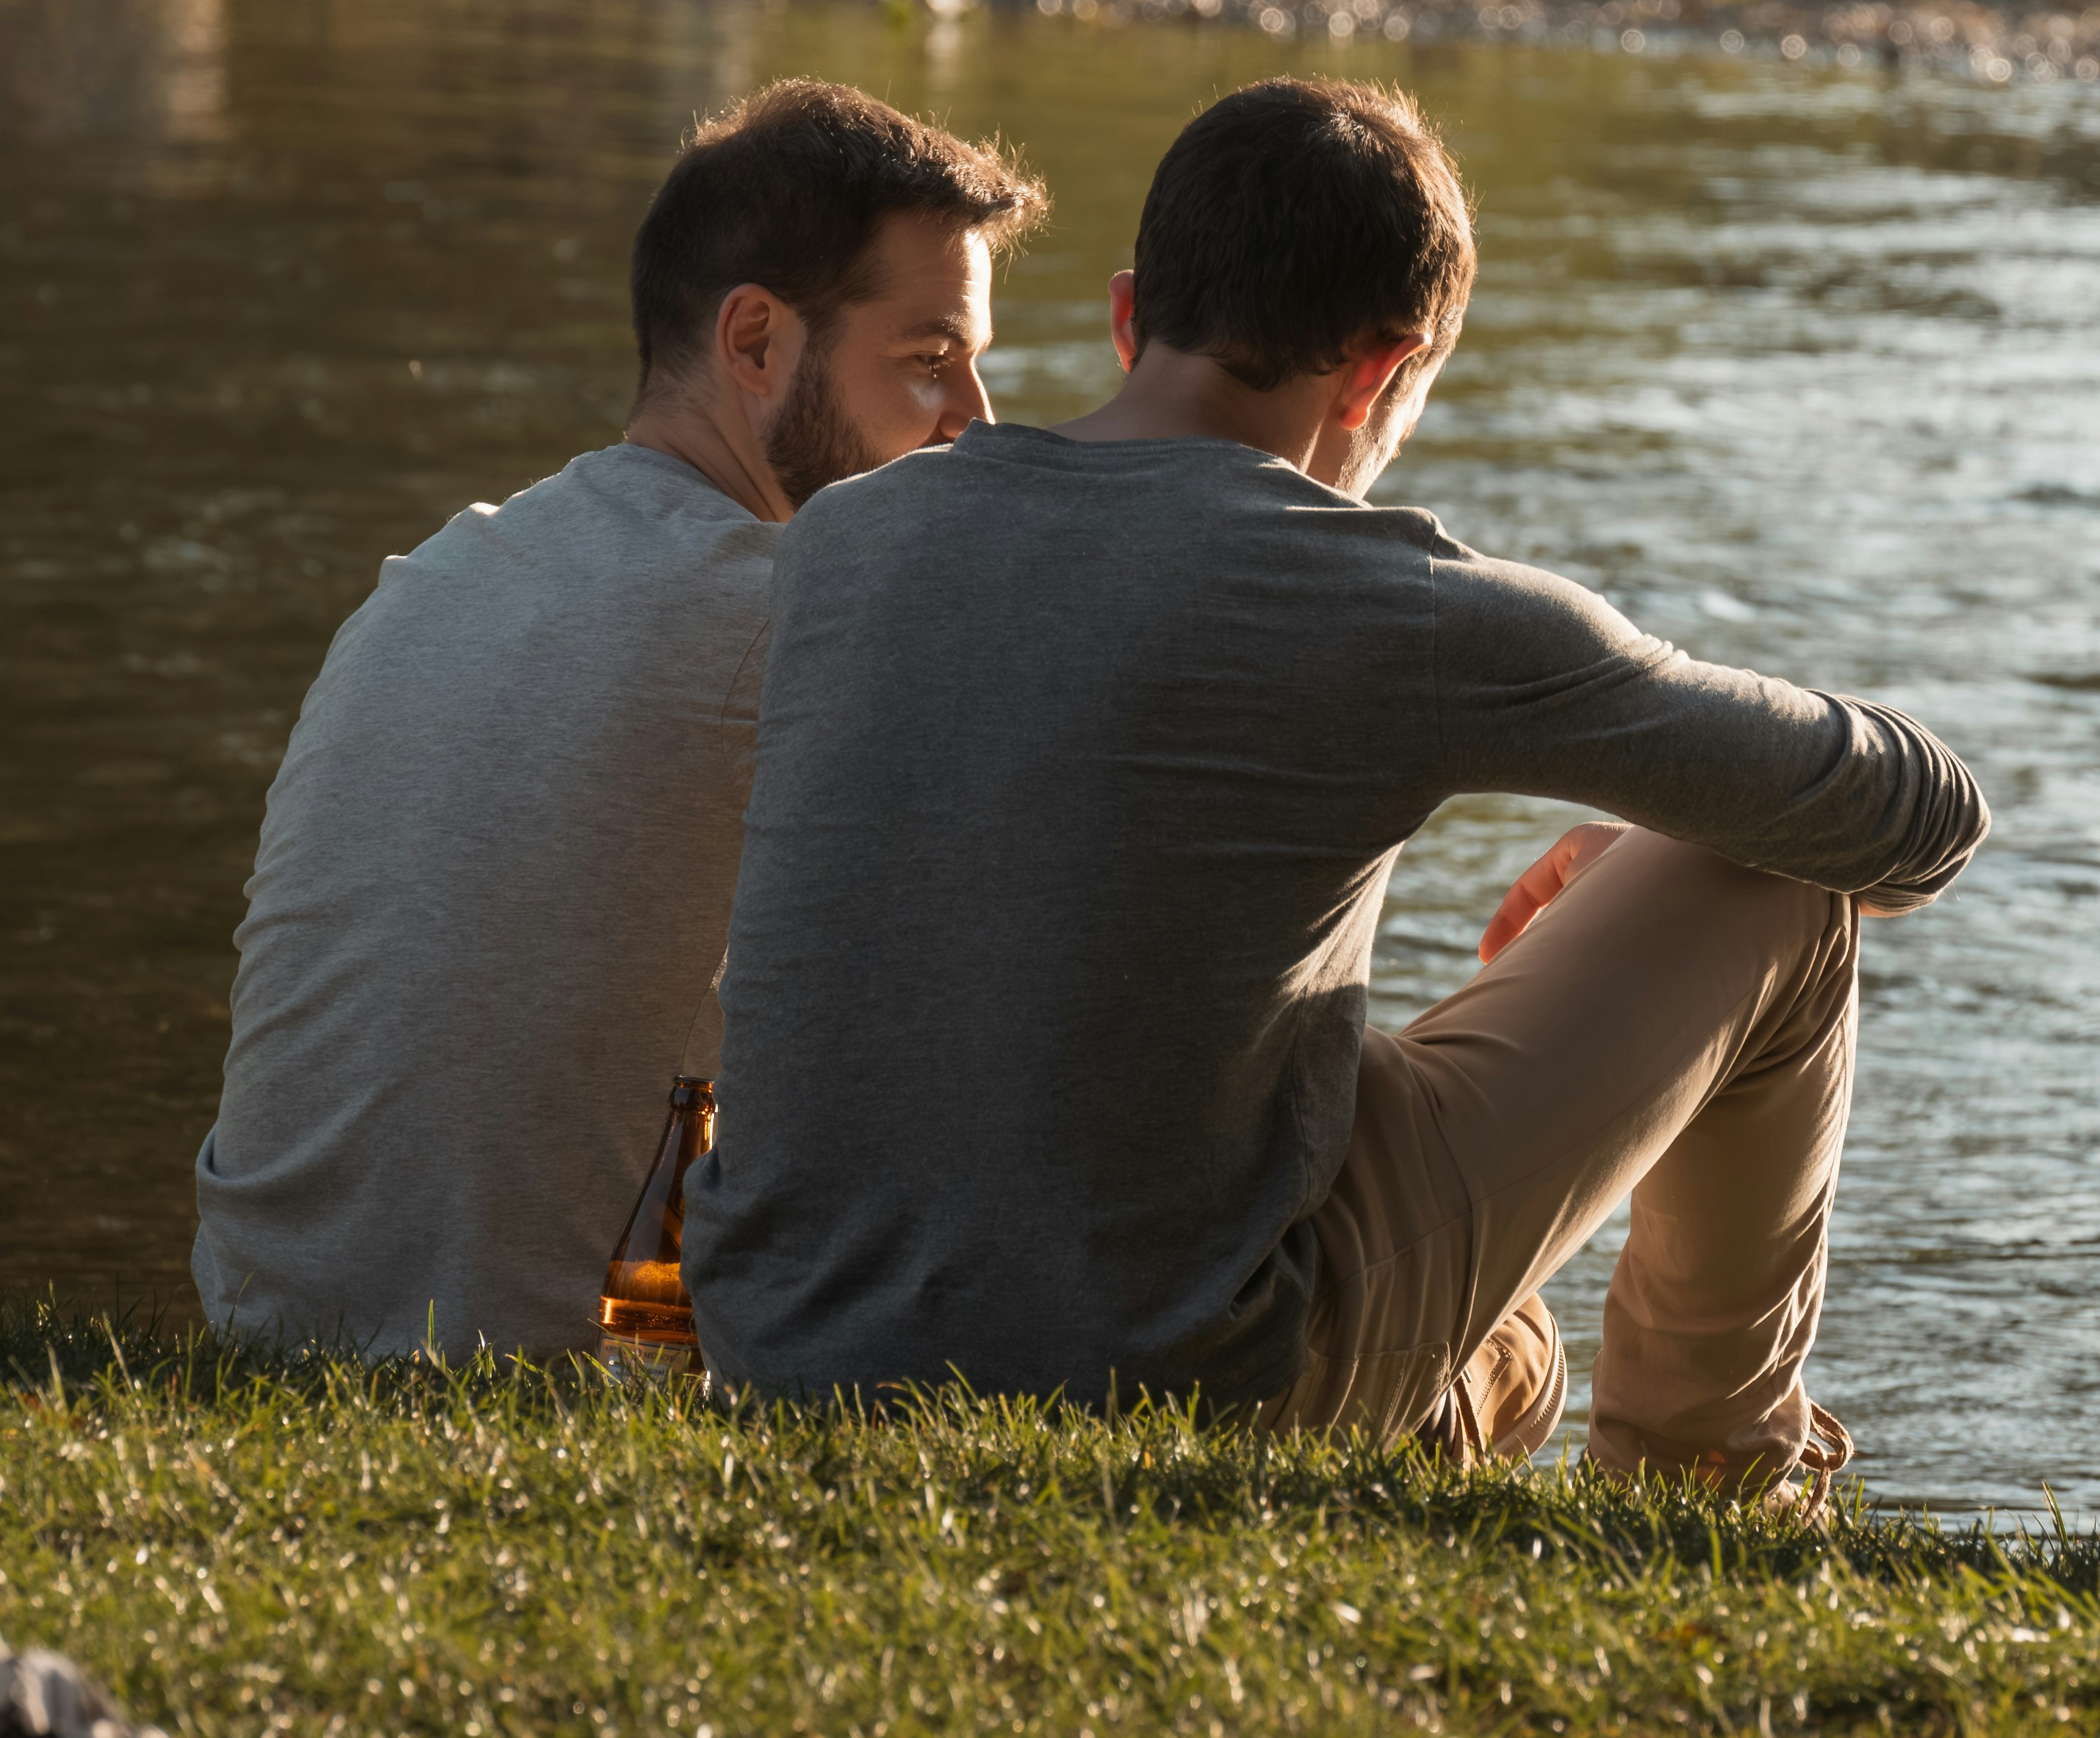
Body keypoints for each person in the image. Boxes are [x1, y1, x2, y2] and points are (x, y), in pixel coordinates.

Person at [688, 79, 1990, 1490]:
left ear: (1136, 315)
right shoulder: (1383, 599)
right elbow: (1920, 820)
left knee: (1495, 1325)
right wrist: (1659, 823)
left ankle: (1478, 1391)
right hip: (1167, 1385)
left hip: (787, 1354)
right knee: (1779, 882)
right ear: (1383, 369)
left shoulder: (851, 540)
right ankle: (1713, 1489)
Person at [190, 82, 1046, 1358]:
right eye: (928, 363)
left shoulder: (437, 574)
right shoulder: (806, 627)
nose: (974, 421)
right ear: (753, 342)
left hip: (264, 1323)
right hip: (556, 1367)